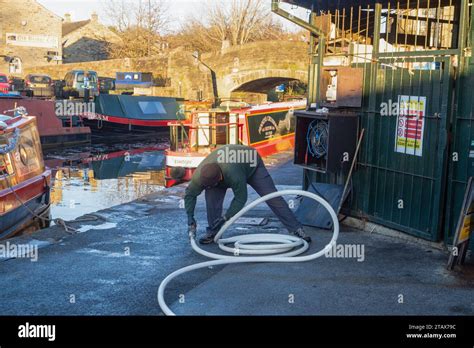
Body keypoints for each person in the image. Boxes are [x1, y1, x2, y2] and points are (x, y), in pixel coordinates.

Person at [184, 144, 311, 244]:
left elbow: (241, 198)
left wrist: (226, 217)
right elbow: (190, 194)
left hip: (251, 163)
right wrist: (190, 217)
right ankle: (213, 232)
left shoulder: (233, 173)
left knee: (272, 197)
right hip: (227, 165)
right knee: (211, 198)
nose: (210, 187)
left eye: (213, 184)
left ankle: (296, 229)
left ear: (220, 178)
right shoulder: (201, 175)